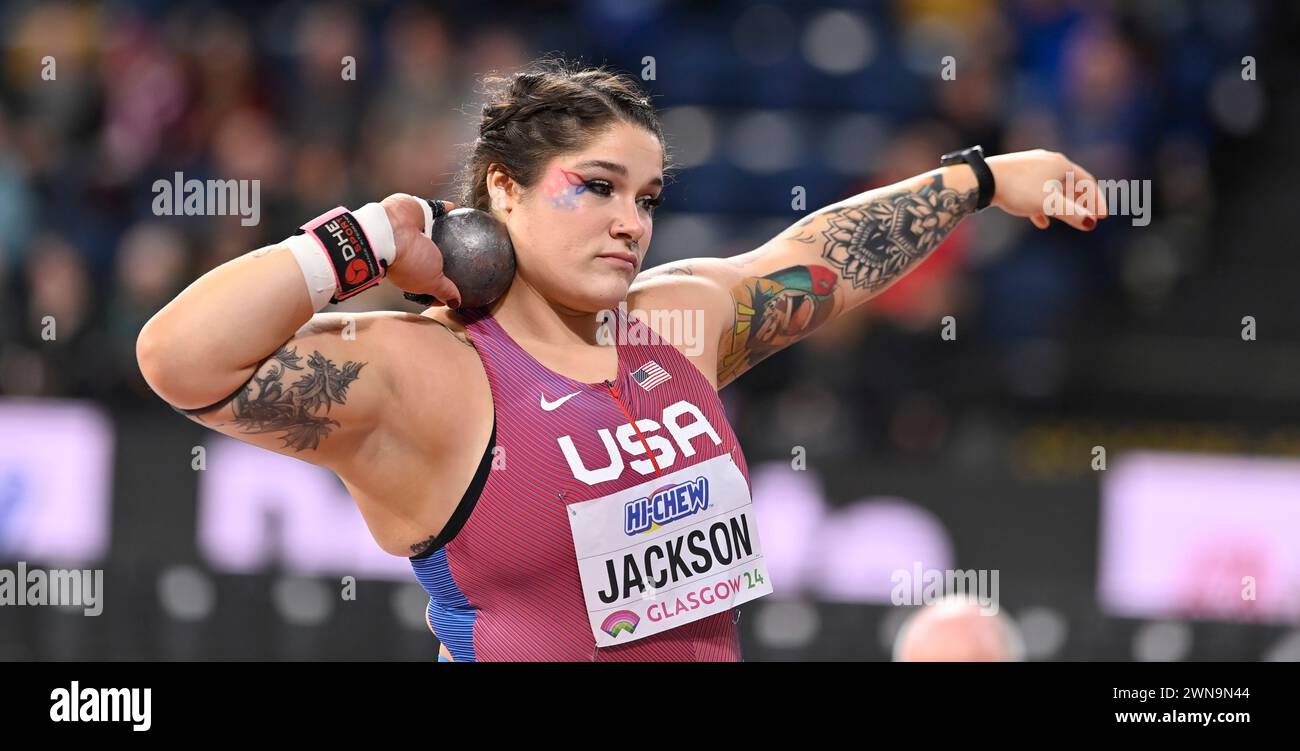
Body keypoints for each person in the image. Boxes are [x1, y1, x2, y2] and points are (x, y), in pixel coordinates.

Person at [136, 59, 1107, 662]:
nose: (630, 223)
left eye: (646, 198)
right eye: (596, 187)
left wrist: (982, 178)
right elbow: (180, 359)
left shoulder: (673, 326)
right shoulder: (432, 375)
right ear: (503, 190)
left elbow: (825, 258)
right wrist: (368, 240)